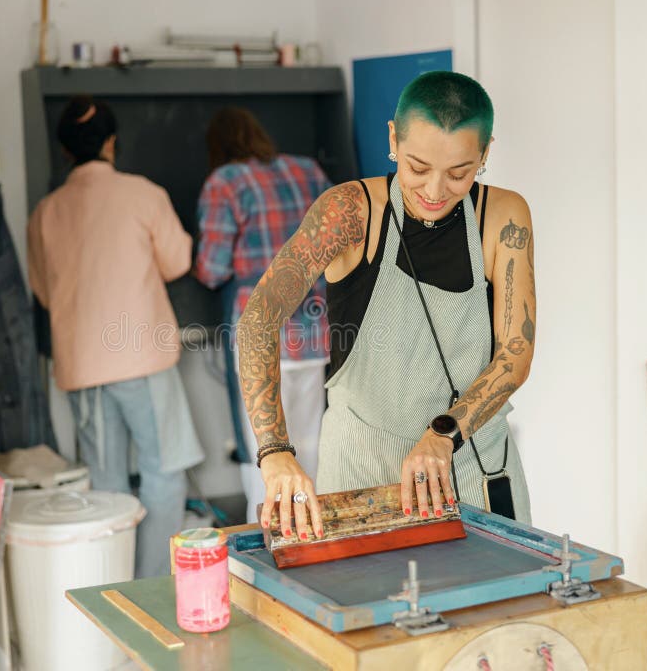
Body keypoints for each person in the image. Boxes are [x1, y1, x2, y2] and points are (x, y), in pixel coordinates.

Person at [237, 71, 535, 539]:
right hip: (362, 473)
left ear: (485, 154)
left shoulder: (504, 216)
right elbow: (258, 319)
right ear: (393, 139)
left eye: (459, 173)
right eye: (418, 167)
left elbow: (516, 351)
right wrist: (275, 453)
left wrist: (443, 436)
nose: (435, 191)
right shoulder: (350, 213)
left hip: (475, 468)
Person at [27, 95, 205, 577]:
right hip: (139, 355)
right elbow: (179, 261)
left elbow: (43, 292)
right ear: (111, 142)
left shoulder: (45, 212)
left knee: (106, 484)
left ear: (65, 151)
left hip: (81, 365)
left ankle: (115, 585)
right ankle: (151, 588)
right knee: (164, 475)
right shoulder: (143, 194)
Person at [194, 107, 331, 523]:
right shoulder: (308, 171)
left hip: (261, 338)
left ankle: (268, 543)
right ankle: (311, 535)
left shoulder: (225, 183)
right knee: (308, 445)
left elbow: (212, 269)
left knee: (267, 448)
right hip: (316, 330)